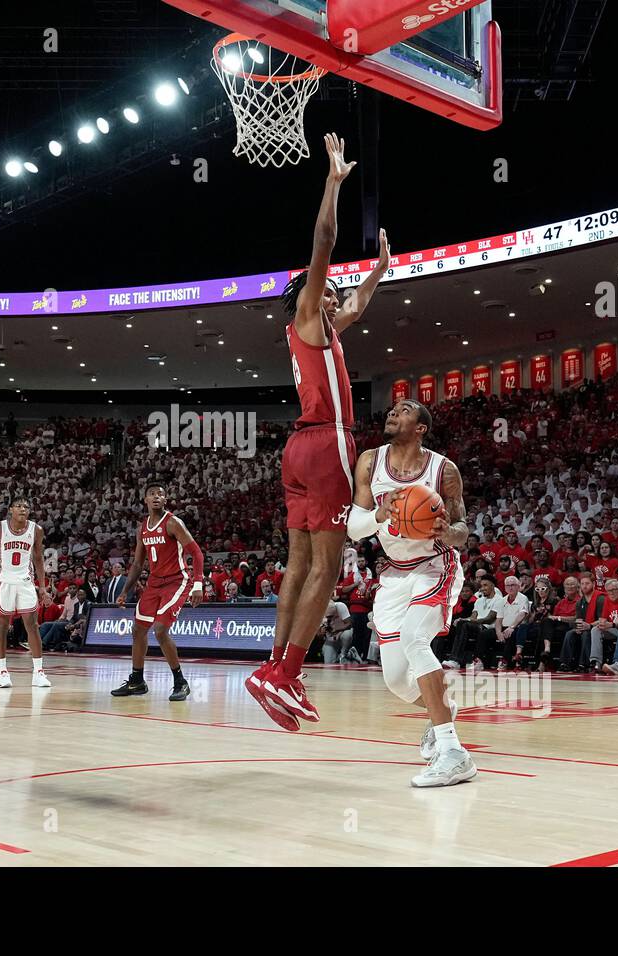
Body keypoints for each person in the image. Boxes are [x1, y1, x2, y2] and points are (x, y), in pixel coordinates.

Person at [247, 133, 391, 730]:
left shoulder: (324, 327)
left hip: (300, 449)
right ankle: (289, 672)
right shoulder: (308, 314)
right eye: (325, 290)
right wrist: (333, 184)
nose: (334, 294)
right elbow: (324, 244)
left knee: (300, 564)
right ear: (305, 298)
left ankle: (274, 667)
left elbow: (355, 304)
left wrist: (380, 270)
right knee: (328, 569)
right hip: (327, 441)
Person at [347, 399, 474, 786]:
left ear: (421, 427)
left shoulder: (443, 470)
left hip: (436, 565)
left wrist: (448, 532)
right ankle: (443, 709)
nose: (392, 412)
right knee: (397, 681)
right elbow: (354, 529)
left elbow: (463, 531)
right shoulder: (370, 461)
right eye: (392, 409)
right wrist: (378, 516)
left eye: (404, 410)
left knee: (416, 639)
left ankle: (454, 753)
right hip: (395, 575)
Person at [112, 483, 201, 700]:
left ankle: (180, 681)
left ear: (165, 499)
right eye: (152, 494)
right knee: (138, 630)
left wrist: (198, 584)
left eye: (160, 494)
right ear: (145, 500)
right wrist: (125, 590)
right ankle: (137, 681)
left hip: (177, 581)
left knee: (160, 630)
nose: (156, 497)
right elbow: (137, 564)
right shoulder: (142, 528)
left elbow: (196, 553)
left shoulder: (173, 522)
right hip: (154, 583)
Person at [0, 497, 53, 688]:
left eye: (26, 507)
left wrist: (42, 586)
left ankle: (38, 672)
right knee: (2, 626)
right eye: (19, 506)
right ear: (11, 509)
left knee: (32, 624)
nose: (23, 509)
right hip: (4, 581)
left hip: (26, 582)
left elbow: (38, 558)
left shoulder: (36, 530)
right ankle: (2, 672)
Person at [319, 599, 354, 664]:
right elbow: (319, 635)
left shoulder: (340, 606)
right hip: (330, 638)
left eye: (332, 615)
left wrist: (336, 629)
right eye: (329, 617)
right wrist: (322, 632)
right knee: (328, 663)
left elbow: (350, 624)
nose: (331, 618)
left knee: (347, 634)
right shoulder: (319, 614)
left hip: (342, 633)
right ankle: (349, 655)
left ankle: (344, 654)